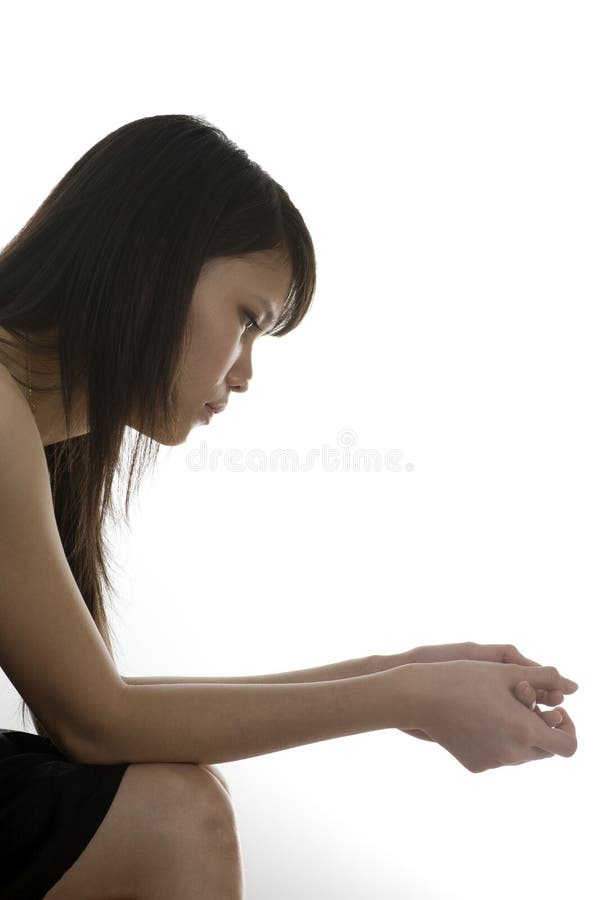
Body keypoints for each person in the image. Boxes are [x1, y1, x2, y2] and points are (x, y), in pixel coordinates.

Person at [0, 114, 578, 900]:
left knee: (168, 801)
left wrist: (405, 674)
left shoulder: (33, 440)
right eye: (246, 320)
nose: (243, 375)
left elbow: (98, 702)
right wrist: (406, 697)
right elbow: (95, 724)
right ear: (149, 266)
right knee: (174, 812)